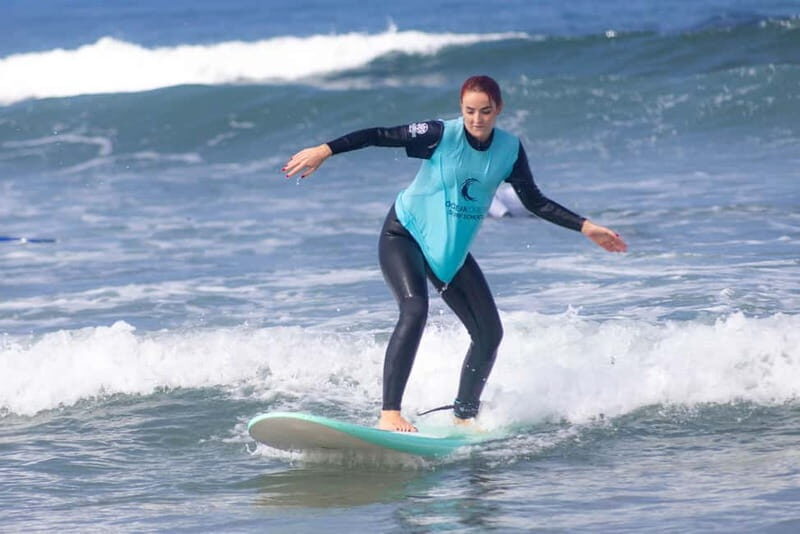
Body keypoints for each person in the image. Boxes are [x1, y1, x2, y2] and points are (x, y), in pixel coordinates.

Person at [283, 75, 627, 432]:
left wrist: (586, 226)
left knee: (489, 334)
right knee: (415, 309)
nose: (477, 119)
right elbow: (380, 135)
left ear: (499, 109)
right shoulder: (439, 135)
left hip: (449, 254)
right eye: (469, 111)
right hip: (405, 234)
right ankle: (389, 414)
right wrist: (325, 150)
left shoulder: (509, 150)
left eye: (485, 112)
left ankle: (464, 416)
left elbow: (534, 201)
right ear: (460, 108)